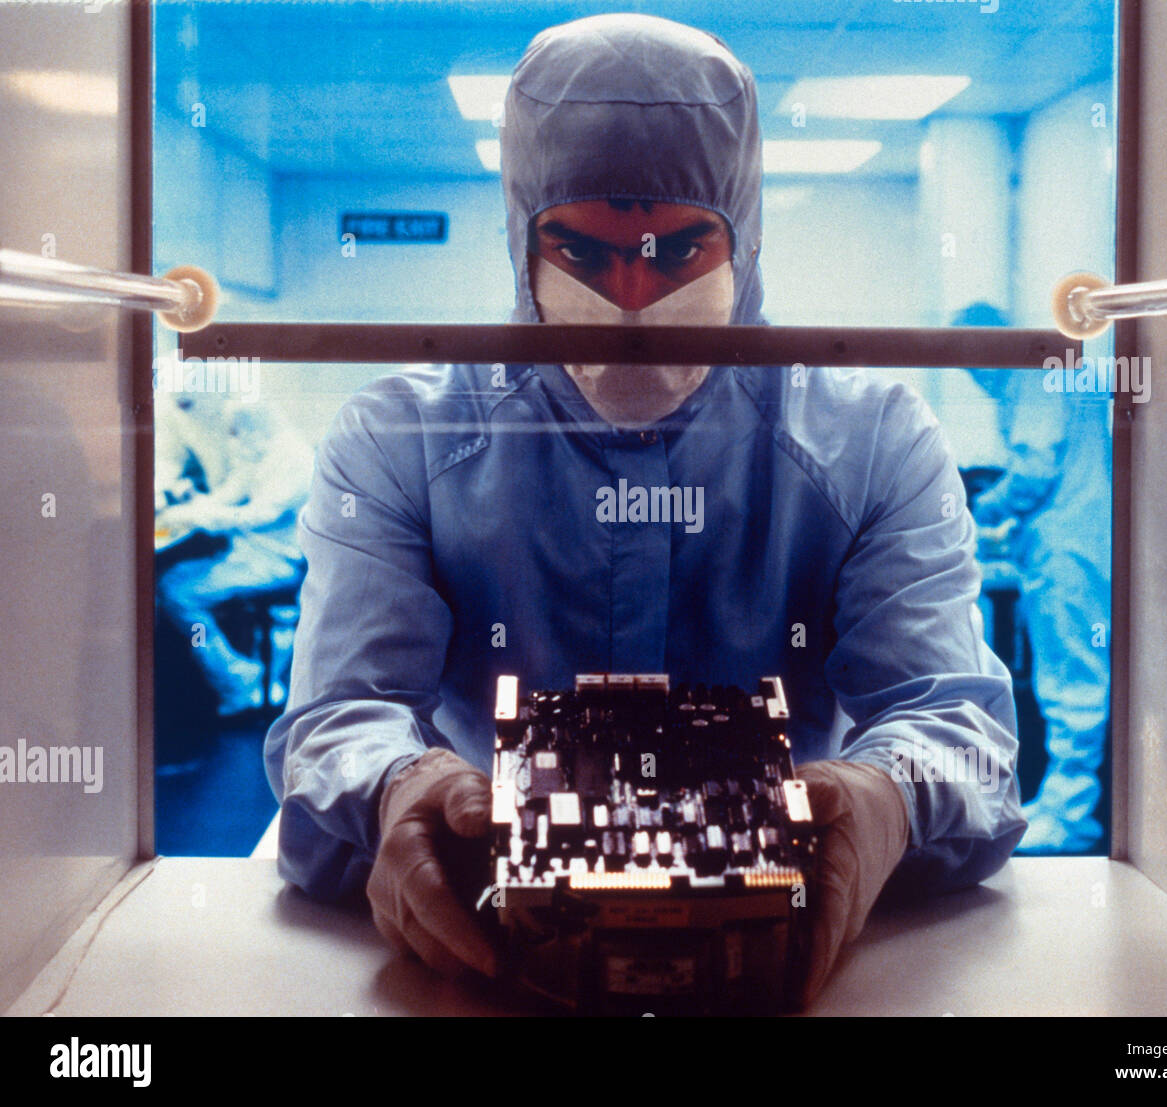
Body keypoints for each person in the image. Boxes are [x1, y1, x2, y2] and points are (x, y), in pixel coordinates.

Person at [264, 12, 1027, 1005]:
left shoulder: (871, 440)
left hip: (774, 933)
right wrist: (394, 791)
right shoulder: (401, 439)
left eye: (677, 251)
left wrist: (885, 798)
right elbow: (339, 715)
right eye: (583, 252)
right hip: (502, 937)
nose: (630, 296)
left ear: (742, 237)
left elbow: (957, 724)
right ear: (522, 242)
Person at [956, 302, 1111, 852]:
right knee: (1066, 674)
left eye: (969, 364)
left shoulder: (1033, 376)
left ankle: (1073, 817)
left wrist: (982, 508)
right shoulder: (1051, 375)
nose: (974, 379)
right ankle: (1060, 803)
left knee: (1071, 680)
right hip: (1074, 544)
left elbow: (1035, 468)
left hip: (1066, 550)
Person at [156, 388, 313, 717]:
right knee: (172, 581)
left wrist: (199, 516)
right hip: (250, 553)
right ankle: (238, 675)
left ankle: (236, 679)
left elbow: (261, 514)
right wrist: (196, 504)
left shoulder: (295, 460)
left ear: (252, 426)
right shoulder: (259, 448)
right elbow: (234, 489)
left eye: (234, 431)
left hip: (279, 562)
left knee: (178, 594)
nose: (231, 439)